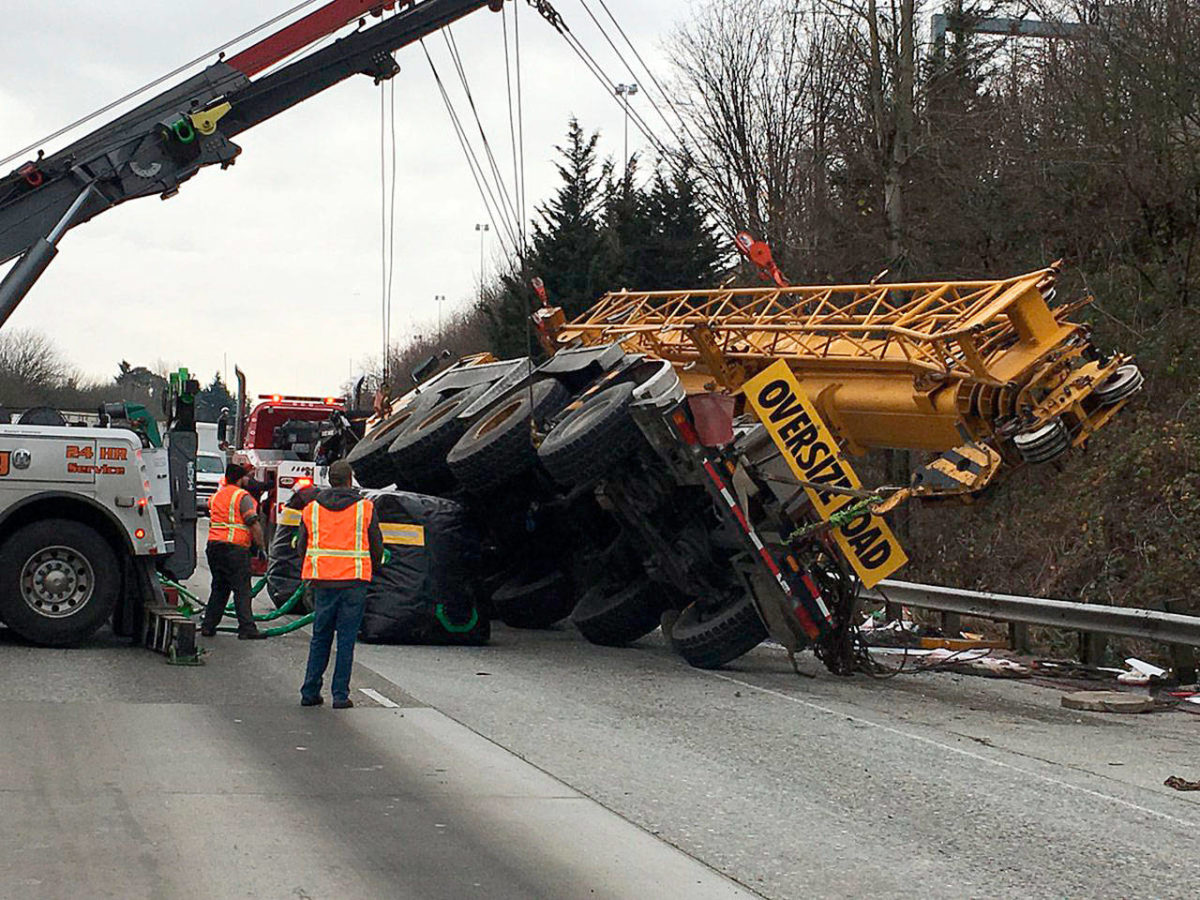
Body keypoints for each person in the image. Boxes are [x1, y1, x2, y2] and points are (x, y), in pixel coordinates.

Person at [296, 459, 383, 709]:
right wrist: (374, 568)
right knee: (346, 640)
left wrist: (312, 570)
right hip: (354, 582)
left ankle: (310, 691)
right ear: (349, 479)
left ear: (330, 480)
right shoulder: (364, 508)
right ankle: (340, 695)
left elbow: (302, 545)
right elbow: (376, 545)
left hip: (323, 581)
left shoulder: (311, 509)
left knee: (320, 637)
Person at [200, 462, 267, 639]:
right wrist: (261, 547)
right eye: (245, 477)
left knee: (219, 588)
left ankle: (208, 626)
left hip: (214, 547)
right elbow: (253, 523)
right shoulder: (242, 497)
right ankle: (247, 629)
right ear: (239, 479)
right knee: (242, 590)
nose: (247, 479)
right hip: (235, 549)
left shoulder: (217, 496)